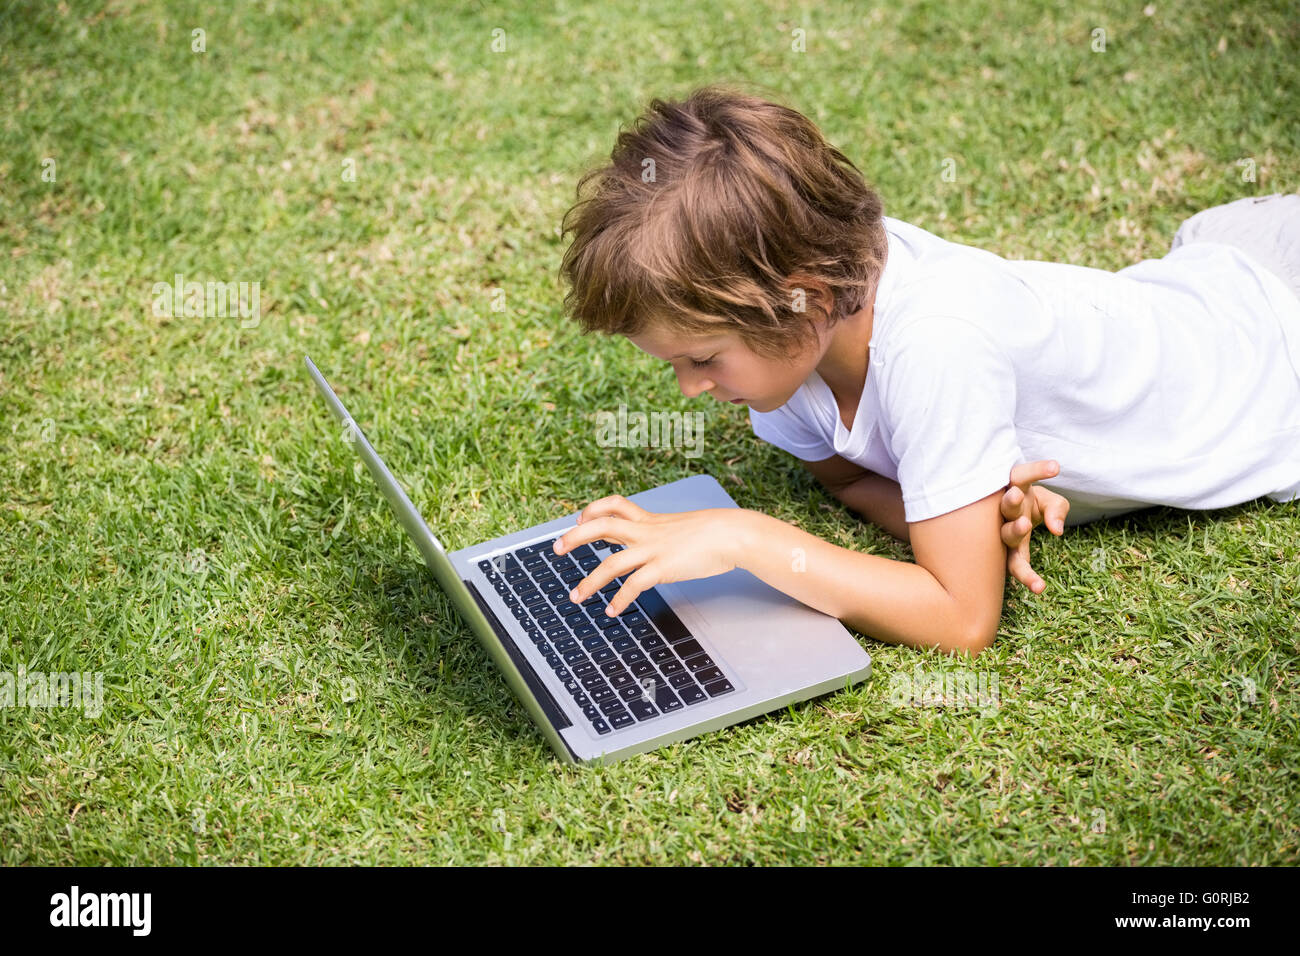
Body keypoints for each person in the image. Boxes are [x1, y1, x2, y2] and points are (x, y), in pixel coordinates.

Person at [551, 84, 1300, 657]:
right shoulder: (791, 347)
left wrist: (748, 540)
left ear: (804, 301)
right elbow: (847, 478)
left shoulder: (935, 344)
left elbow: (963, 619)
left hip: (1272, 346)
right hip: (1202, 291)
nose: (690, 388)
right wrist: (961, 518)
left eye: (702, 358)